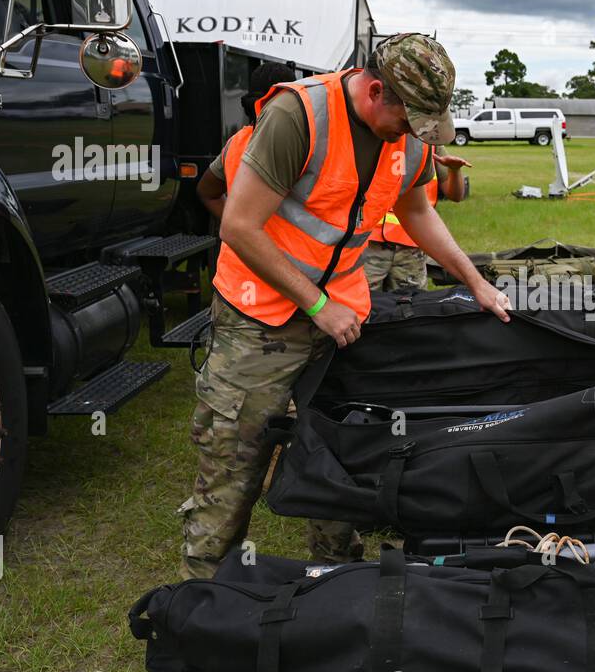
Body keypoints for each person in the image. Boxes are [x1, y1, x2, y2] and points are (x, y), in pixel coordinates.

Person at [179, 33, 509, 581]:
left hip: (338, 317)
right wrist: (316, 305)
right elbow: (237, 222)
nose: (412, 135)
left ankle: (338, 580)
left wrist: (473, 280)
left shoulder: (409, 135)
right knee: (237, 457)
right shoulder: (298, 116)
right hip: (259, 318)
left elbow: (419, 212)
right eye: (406, 121)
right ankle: (202, 595)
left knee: (333, 447)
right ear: (376, 90)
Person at [196, 61, 297, 221]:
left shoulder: (236, 142)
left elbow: (207, 192)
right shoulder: (297, 142)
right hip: (276, 246)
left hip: (238, 246)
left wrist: (235, 227)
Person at [362, 148, 471, 291]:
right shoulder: (369, 135)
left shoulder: (430, 145)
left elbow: (456, 195)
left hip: (411, 245)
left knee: (410, 304)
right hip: (369, 243)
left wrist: (454, 170)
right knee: (364, 304)